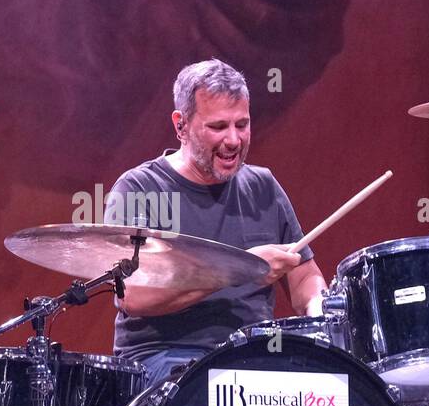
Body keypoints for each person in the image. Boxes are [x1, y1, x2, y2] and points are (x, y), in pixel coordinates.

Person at [110, 58, 328, 385]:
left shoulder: (263, 187)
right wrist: (238, 269)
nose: (233, 140)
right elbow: (133, 295)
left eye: (242, 125)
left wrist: (319, 310)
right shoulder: (140, 188)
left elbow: (304, 278)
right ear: (180, 125)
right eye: (218, 127)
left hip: (254, 357)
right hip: (164, 360)